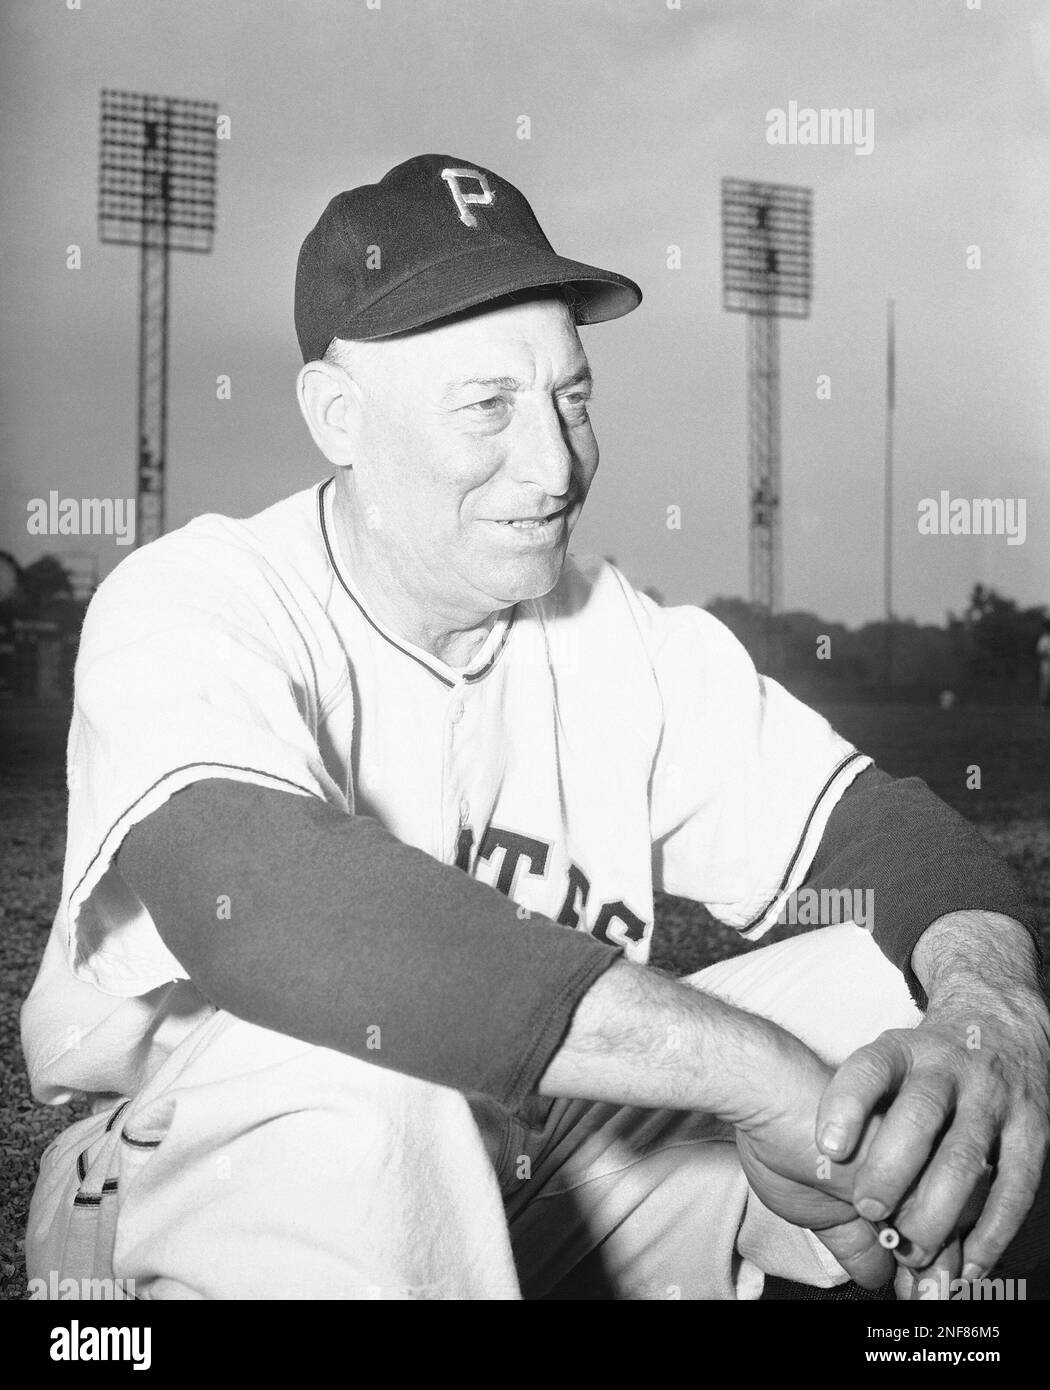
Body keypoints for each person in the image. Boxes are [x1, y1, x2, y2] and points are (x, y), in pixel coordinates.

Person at [21, 155, 1049, 1300]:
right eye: (488, 407)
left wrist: (988, 1009)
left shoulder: (613, 631)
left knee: (908, 1020)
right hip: (196, 1190)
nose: (557, 464)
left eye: (572, 397)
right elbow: (264, 906)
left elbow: (885, 840)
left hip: (532, 1159)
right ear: (338, 416)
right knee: (367, 1067)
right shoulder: (199, 596)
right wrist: (760, 1077)